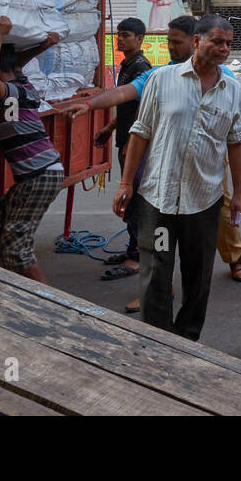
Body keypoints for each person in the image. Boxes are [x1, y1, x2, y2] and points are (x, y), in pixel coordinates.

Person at [61, 14, 241, 312]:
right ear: (199, 42)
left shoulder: (226, 81)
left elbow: (240, 124)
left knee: (223, 217)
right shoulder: (161, 76)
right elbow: (129, 101)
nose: (169, 47)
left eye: (175, 42)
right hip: (164, 180)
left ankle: (234, 257)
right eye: (168, 41)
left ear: (192, 41)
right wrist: (93, 108)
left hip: (205, 177)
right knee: (159, 247)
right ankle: (159, 292)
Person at [116, 15, 241, 341]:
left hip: (203, 204)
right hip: (158, 202)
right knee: (156, 276)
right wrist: (124, 184)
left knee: (197, 278)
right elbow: (140, 132)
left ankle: (188, 341)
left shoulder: (231, 90)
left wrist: (237, 195)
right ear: (196, 41)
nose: (223, 49)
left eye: (229, 44)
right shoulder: (162, 80)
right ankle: (160, 344)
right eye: (217, 41)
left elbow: (237, 143)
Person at [0, 18, 63, 283]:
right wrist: (43, 45)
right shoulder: (21, 84)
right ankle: (3, 289)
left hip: (40, 175)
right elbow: (16, 64)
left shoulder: (12, 93)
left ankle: (49, 305)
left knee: (16, 248)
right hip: (33, 177)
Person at [96, 18, 152, 283]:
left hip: (134, 145)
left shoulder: (142, 67)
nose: (120, 39)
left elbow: (145, 107)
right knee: (129, 199)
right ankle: (132, 249)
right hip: (125, 140)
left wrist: (132, 138)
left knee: (134, 199)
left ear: (140, 39)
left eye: (126, 35)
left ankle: (137, 258)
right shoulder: (128, 65)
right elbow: (126, 105)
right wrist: (110, 128)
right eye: (118, 35)